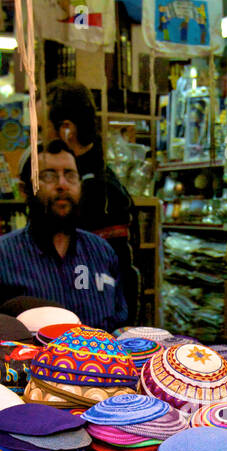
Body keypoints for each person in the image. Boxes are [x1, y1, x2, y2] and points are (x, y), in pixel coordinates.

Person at [0, 140, 129, 332]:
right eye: (49, 176)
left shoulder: (102, 253)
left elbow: (120, 325)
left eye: (70, 175)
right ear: (24, 189)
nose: (62, 184)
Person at [47, 79, 139, 321]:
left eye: (40, 128)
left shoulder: (97, 190)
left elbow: (107, 280)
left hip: (90, 330)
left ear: (67, 130)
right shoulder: (90, 180)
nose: (37, 137)